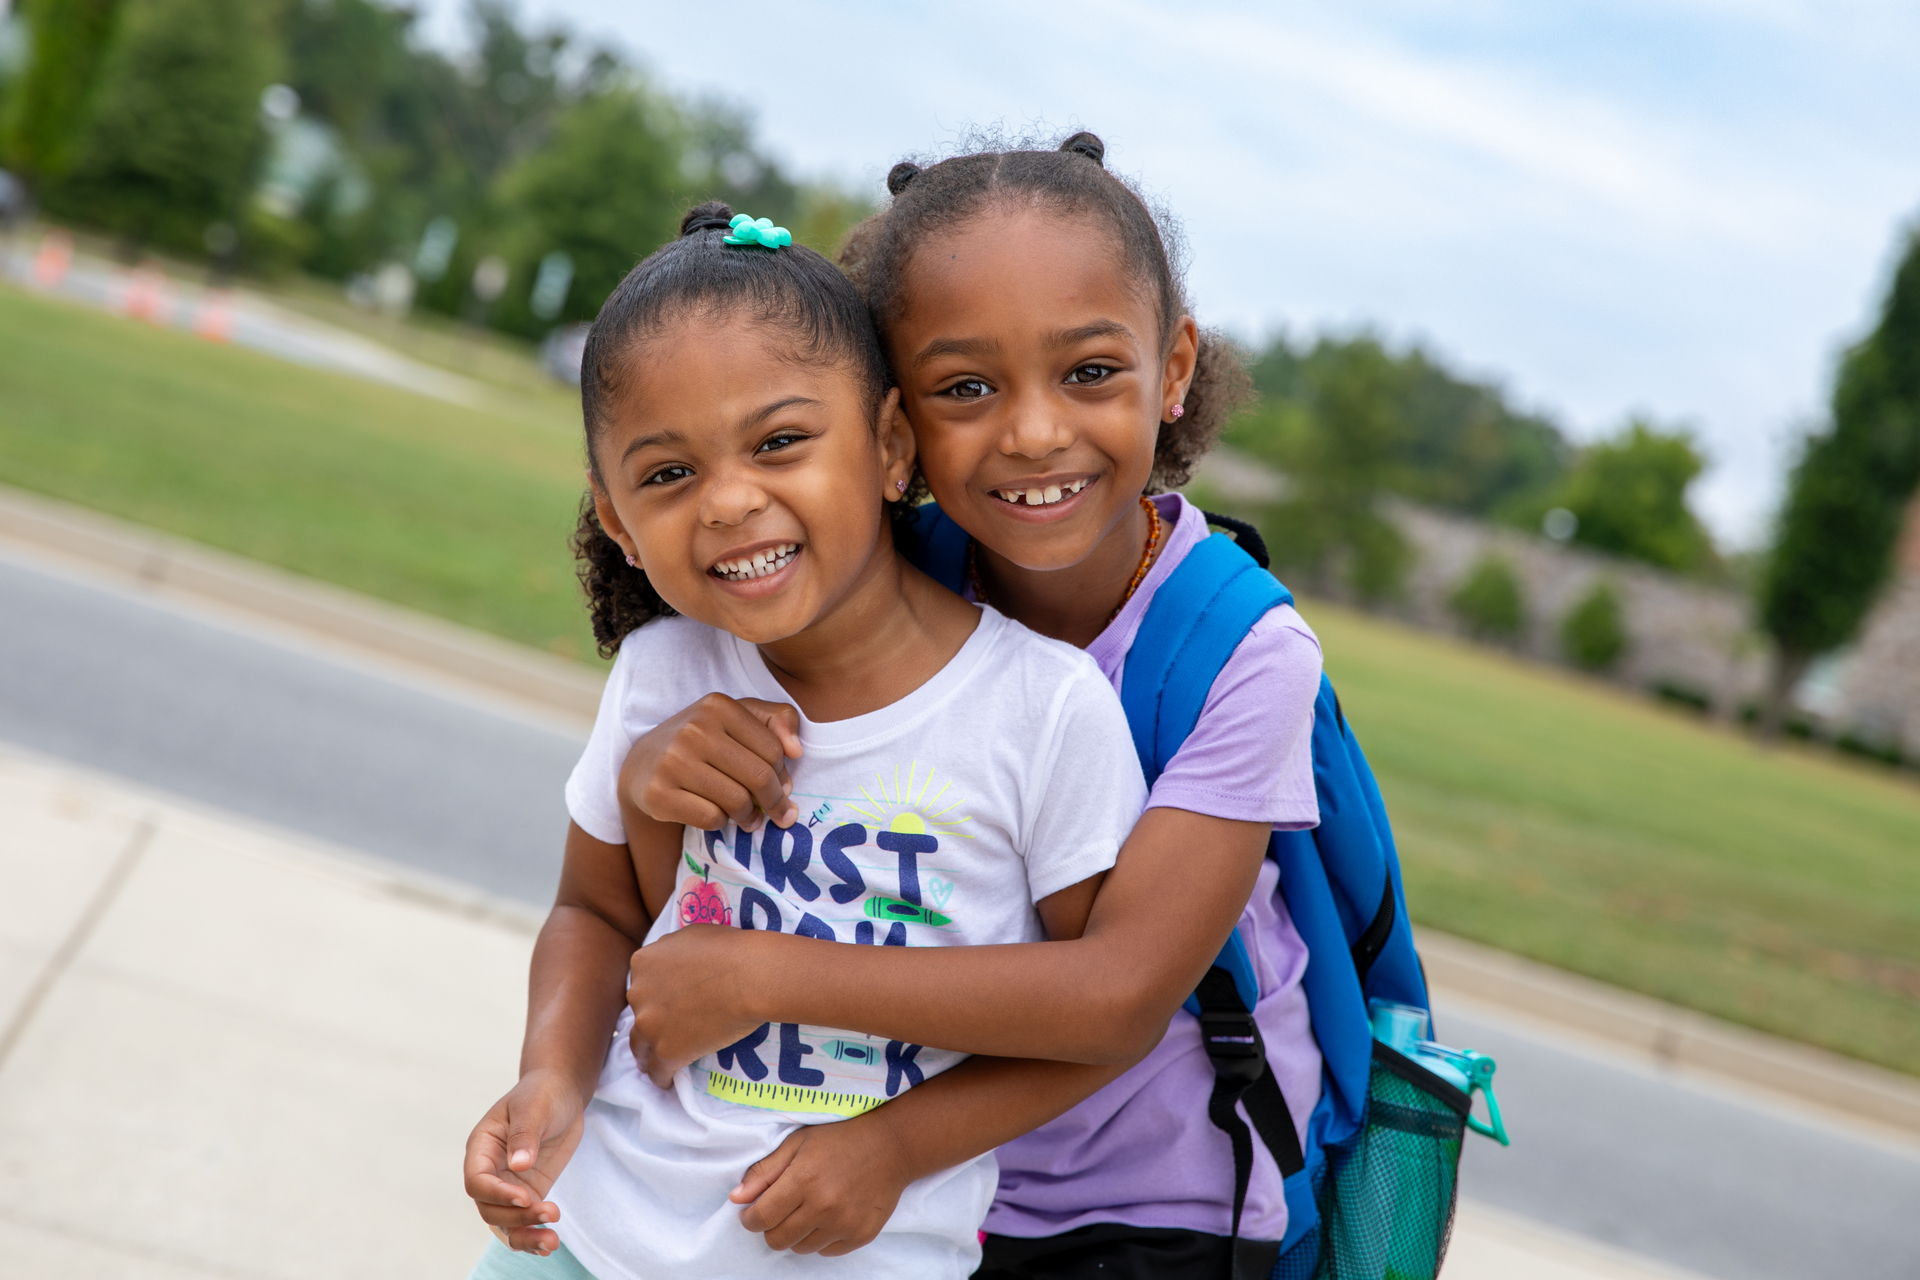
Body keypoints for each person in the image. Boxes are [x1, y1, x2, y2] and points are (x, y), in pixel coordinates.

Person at [600, 135, 1331, 1279]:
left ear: (1174, 366)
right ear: (893, 421)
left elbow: (1118, 992)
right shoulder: (883, 567)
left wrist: (779, 996)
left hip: (1140, 1204)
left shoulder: (1246, 652)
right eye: (967, 387)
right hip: (895, 1194)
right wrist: (649, 772)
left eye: (1090, 371)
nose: (1034, 432)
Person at [460, 201, 1152, 1280]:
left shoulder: (1043, 710)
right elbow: (593, 912)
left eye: (780, 443)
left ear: (888, 445)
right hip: (590, 1238)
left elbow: (1098, 1020)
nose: (730, 501)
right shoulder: (661, 671)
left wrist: (897, 1146)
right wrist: (550, 1075)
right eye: (668, 474)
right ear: (616, 520)